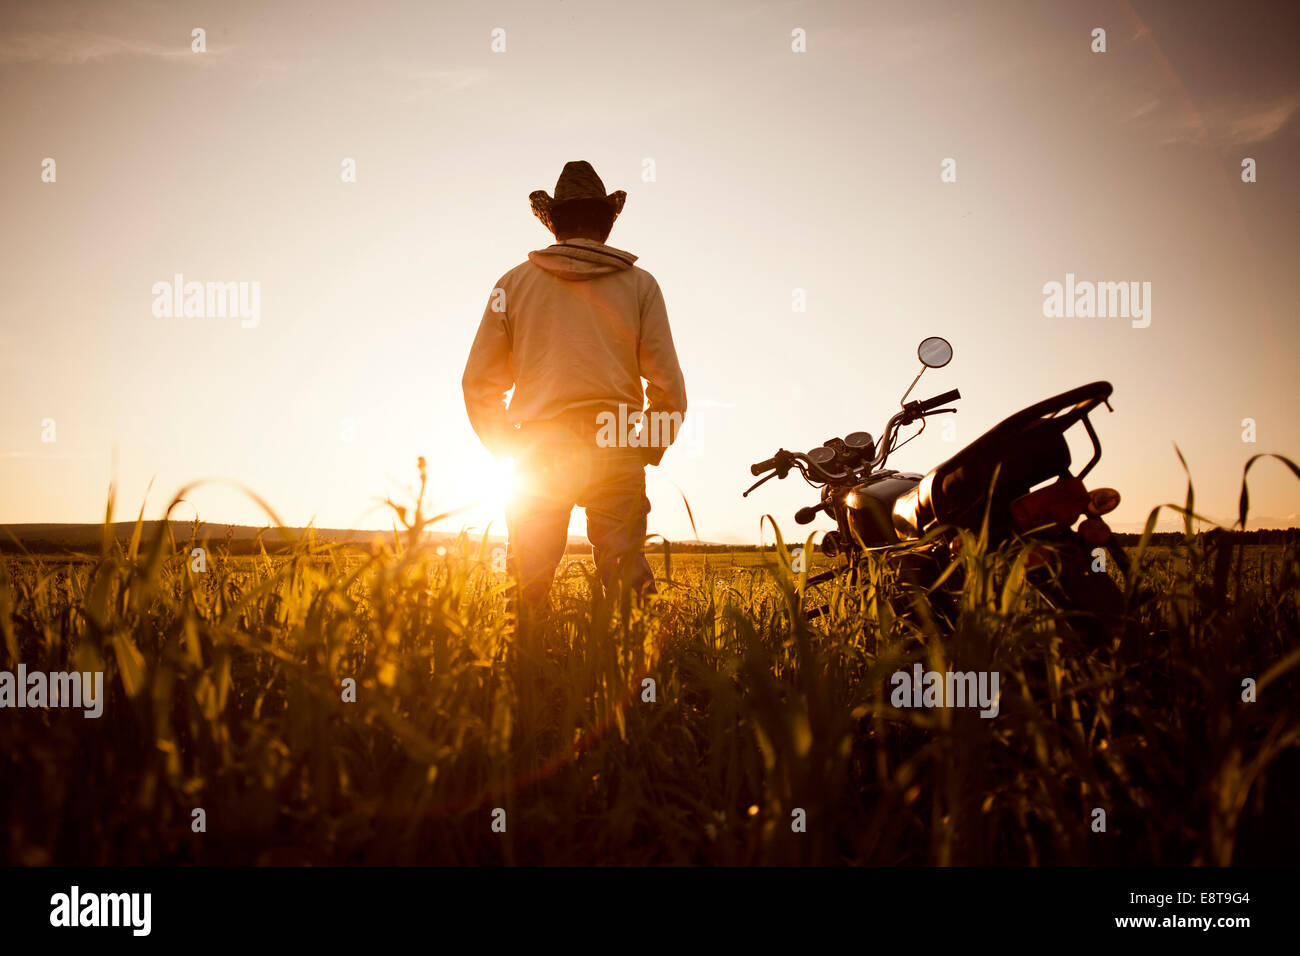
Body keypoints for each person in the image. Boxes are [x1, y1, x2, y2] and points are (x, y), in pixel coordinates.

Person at [462, 160, 687, 630]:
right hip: (617, 441)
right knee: (627, 574)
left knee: (525, 579)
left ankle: (520, 677)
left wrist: (507, 445)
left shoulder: (511, 285)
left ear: (555, 224)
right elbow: (667, 386)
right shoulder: (641, 285)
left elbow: (479, 383)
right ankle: (640, 681)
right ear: (606, 224)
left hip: (538, 446)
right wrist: (649, 444)